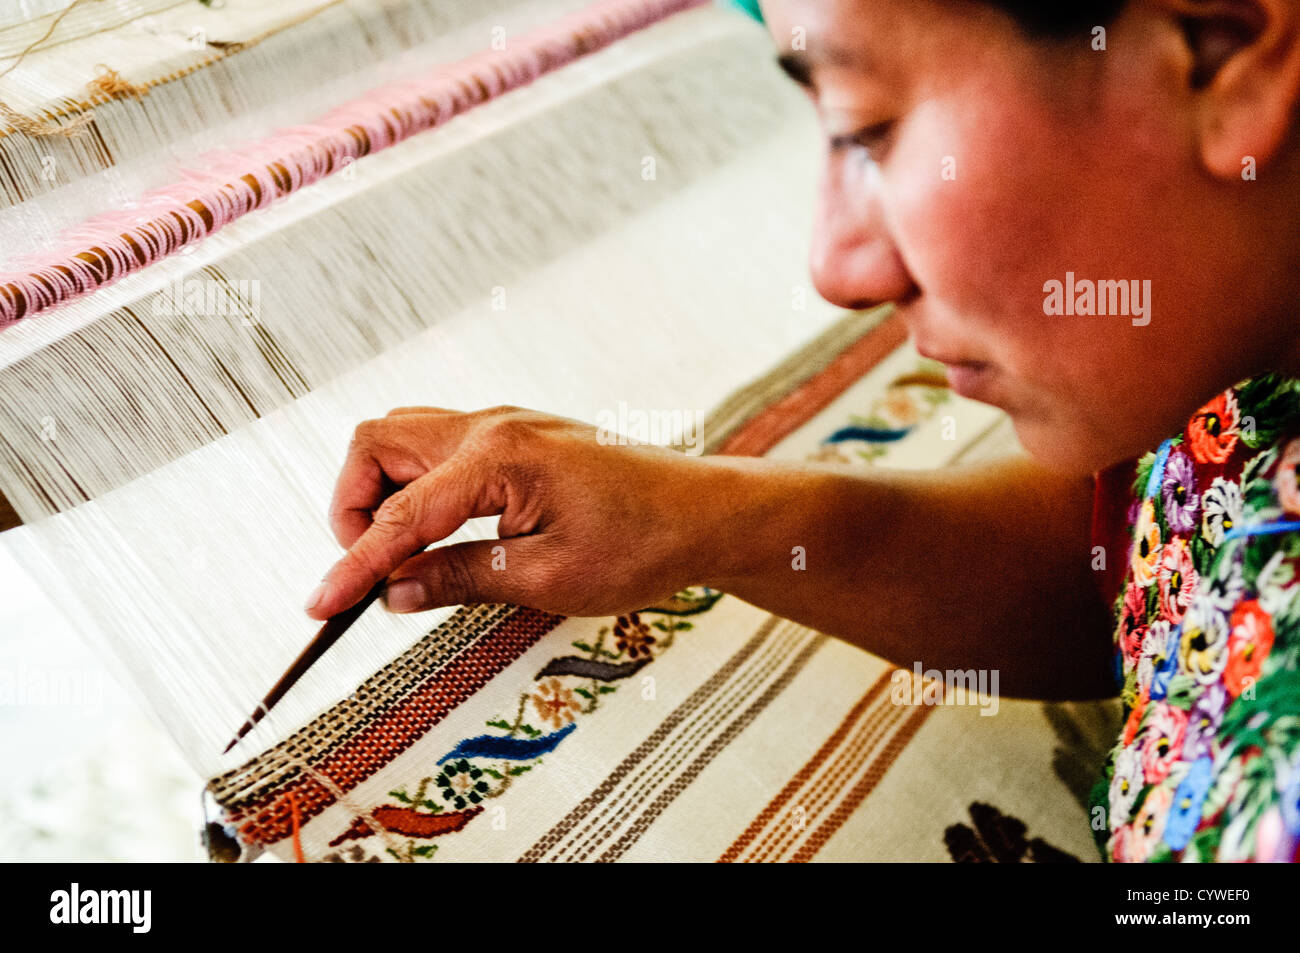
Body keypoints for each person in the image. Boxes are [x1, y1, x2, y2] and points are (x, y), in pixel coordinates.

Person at [303, 0, 1300, 862]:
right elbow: (1145, 590)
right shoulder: (1235, 381)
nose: (839, 266)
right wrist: (692, 512)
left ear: (1222, 49)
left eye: (866, 127)